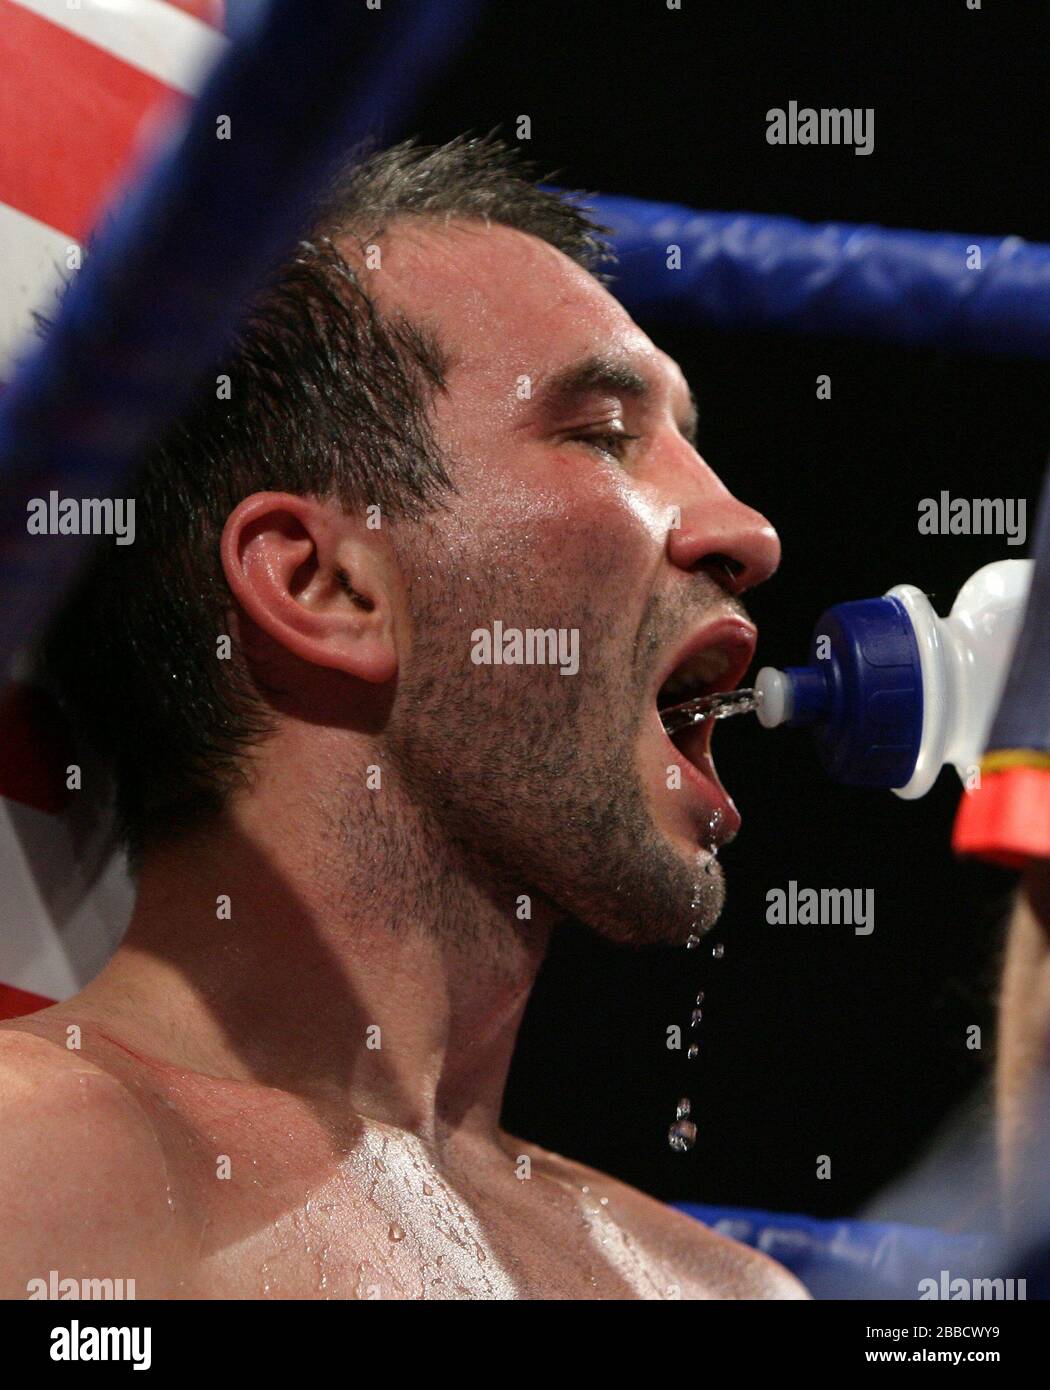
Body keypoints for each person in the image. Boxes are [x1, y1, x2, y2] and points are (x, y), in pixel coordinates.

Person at [3, 130, 833, 1299]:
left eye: (691, 447)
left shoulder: (721, 1290)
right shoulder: (35, 1172)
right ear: (321, 586)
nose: (747, 529)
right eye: (603, 433)